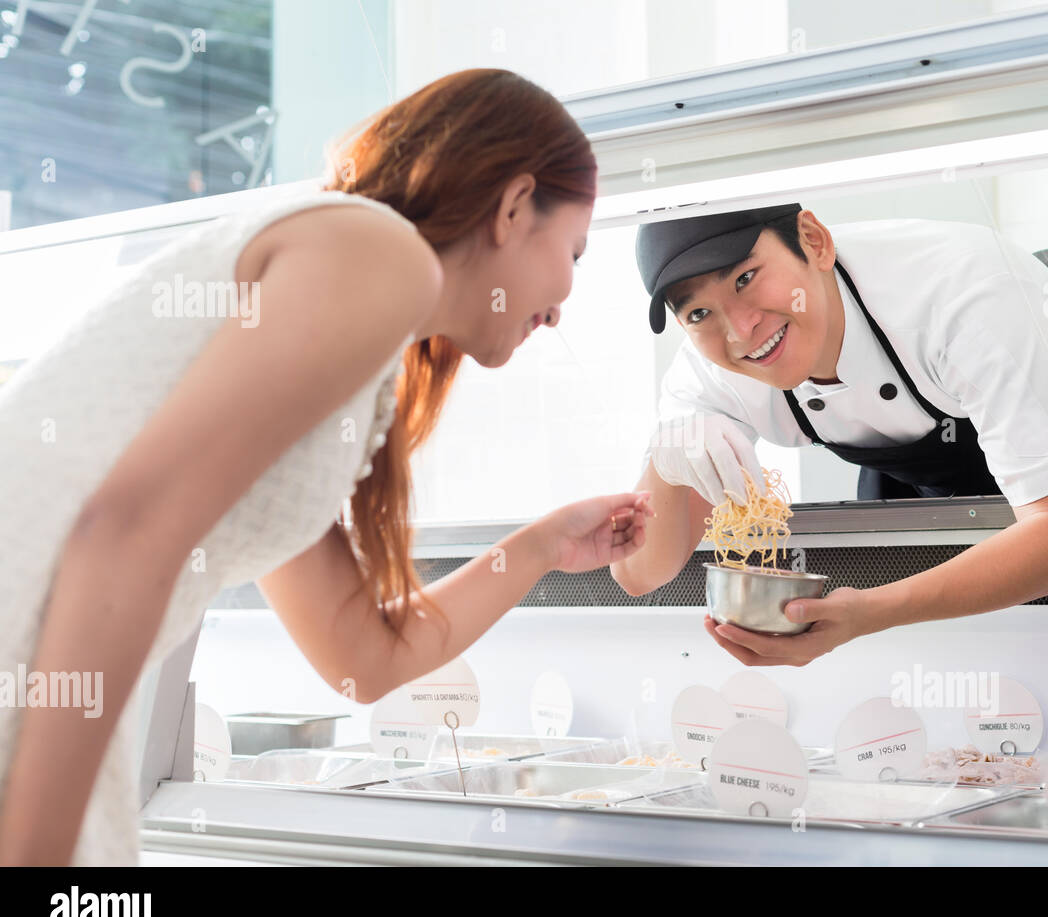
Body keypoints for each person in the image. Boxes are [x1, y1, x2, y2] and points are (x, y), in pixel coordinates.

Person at [0, 69, 652, 866]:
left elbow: (361, 661)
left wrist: (547, 545)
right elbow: (123, 534)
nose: (562, 304)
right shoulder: (374, 253)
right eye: (575, 251)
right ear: (515, 207)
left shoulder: (349, 346)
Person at [611, 203, 1048, 666]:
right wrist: (667, 459)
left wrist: (869, 613)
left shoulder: (963, 293)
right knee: (926, 647)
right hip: (920, 455)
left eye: (745, 278)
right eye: (697, 314)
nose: (739, 330)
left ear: (814, 240)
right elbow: (640, 574)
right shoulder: (707, 370)